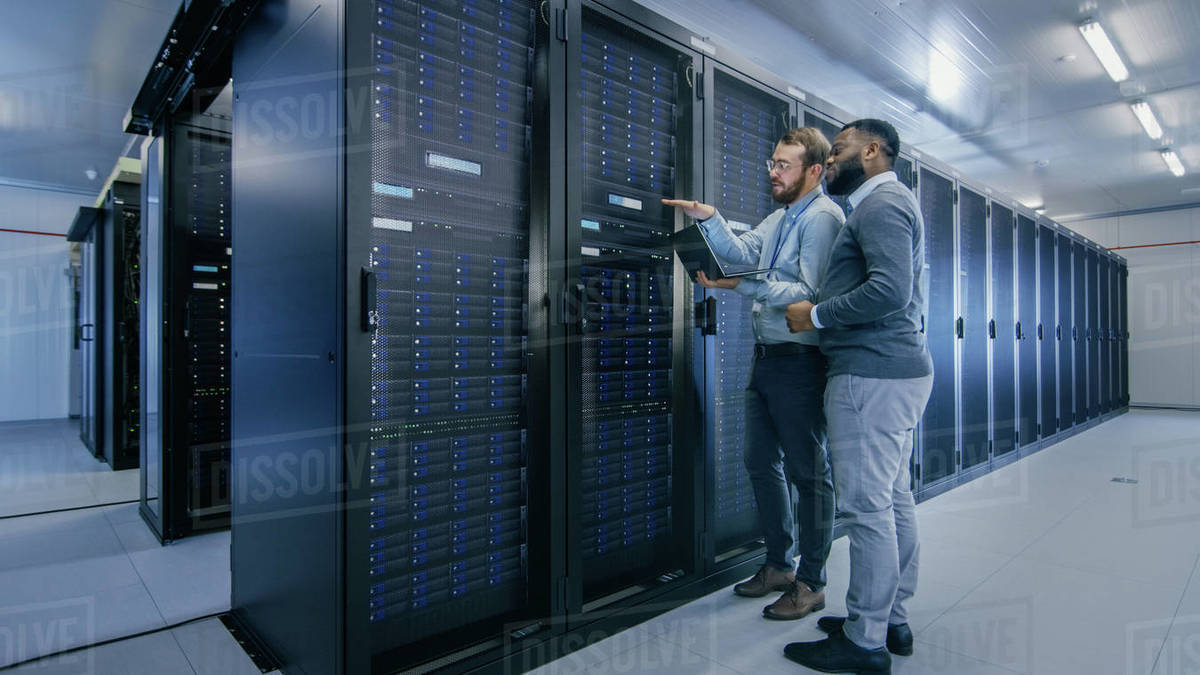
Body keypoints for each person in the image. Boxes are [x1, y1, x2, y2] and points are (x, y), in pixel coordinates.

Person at [663, 127, 844, 621]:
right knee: (762, 463)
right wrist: (710, 220)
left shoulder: (823, 219)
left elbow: (808, 290)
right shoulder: (782, 216)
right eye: (771, 162)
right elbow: (743, 251)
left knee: (809, 475)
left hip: (801, 362)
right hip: (767, 359)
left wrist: (741, 285)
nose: (772, 172)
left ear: (812, 171)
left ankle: (811, 582)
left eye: (783, 165)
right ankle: (779, 565)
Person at [782, 119, 933, 674]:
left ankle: (864, 641)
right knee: (893, 499)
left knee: (868, 509)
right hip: (895, 371)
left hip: (871, 374)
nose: (833, 160)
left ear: (873, 150)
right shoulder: (890, 204)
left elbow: (889, 291)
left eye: (841, 150)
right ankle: (889, 618)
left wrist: (816, 314)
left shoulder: (880, 204)